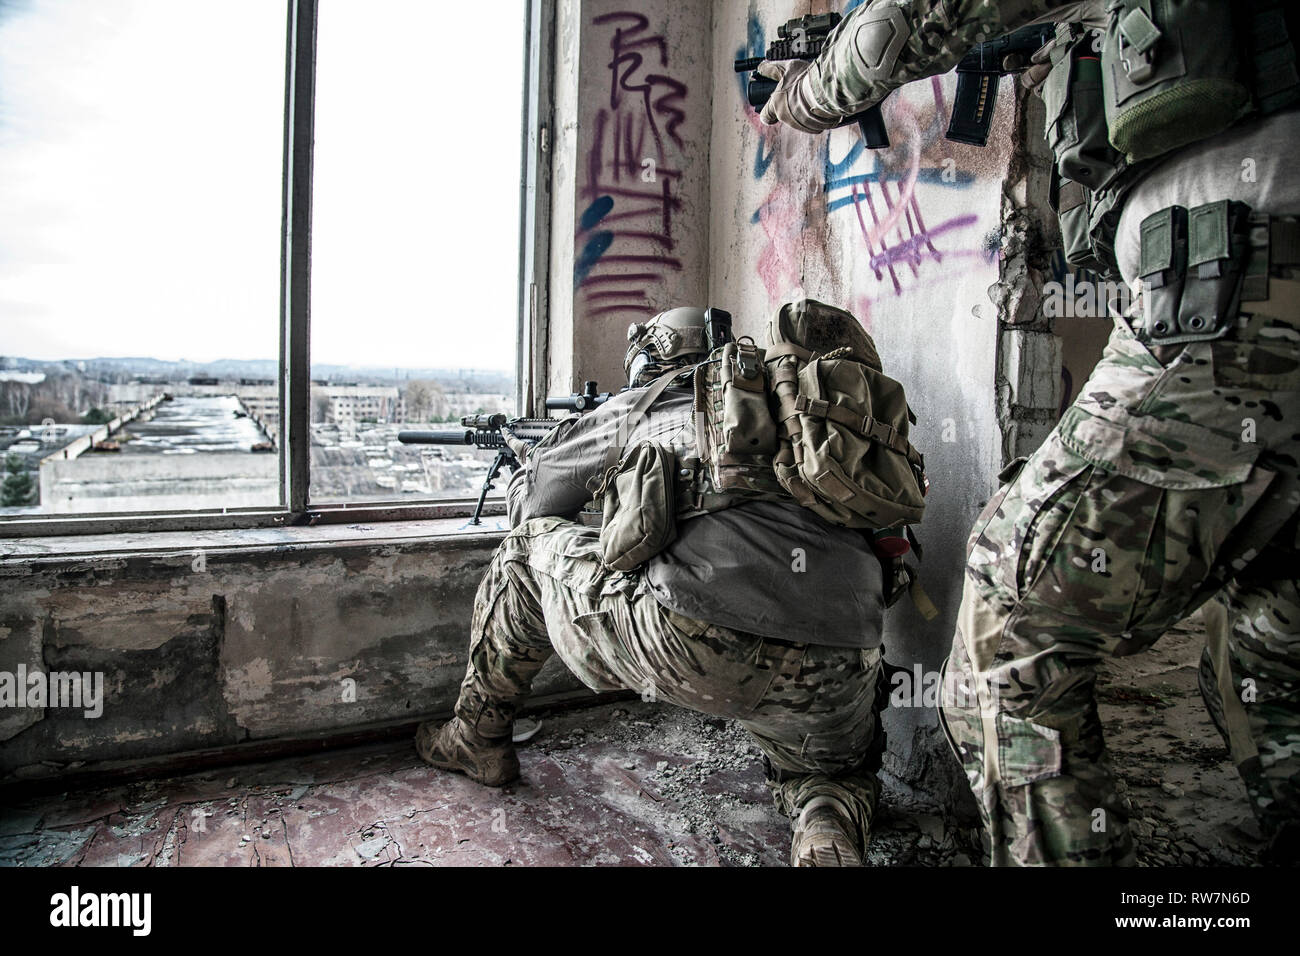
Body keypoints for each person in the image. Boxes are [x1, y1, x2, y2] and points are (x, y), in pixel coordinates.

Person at [757, 0, 1300, 864]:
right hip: (1242, 278)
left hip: (1232, 277)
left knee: (1009, 636)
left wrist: (807, 92)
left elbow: (906, 25)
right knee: (1276, 631)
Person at [417, 306, 894, 866]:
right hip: (843, 657)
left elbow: (536, 508)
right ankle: (825, 822)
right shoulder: (811, 422)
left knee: (522, 554)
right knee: (830, 772)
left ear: (649, 357)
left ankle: (476, 736)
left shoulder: (648, 402)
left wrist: (528, 469)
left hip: (697, 644)